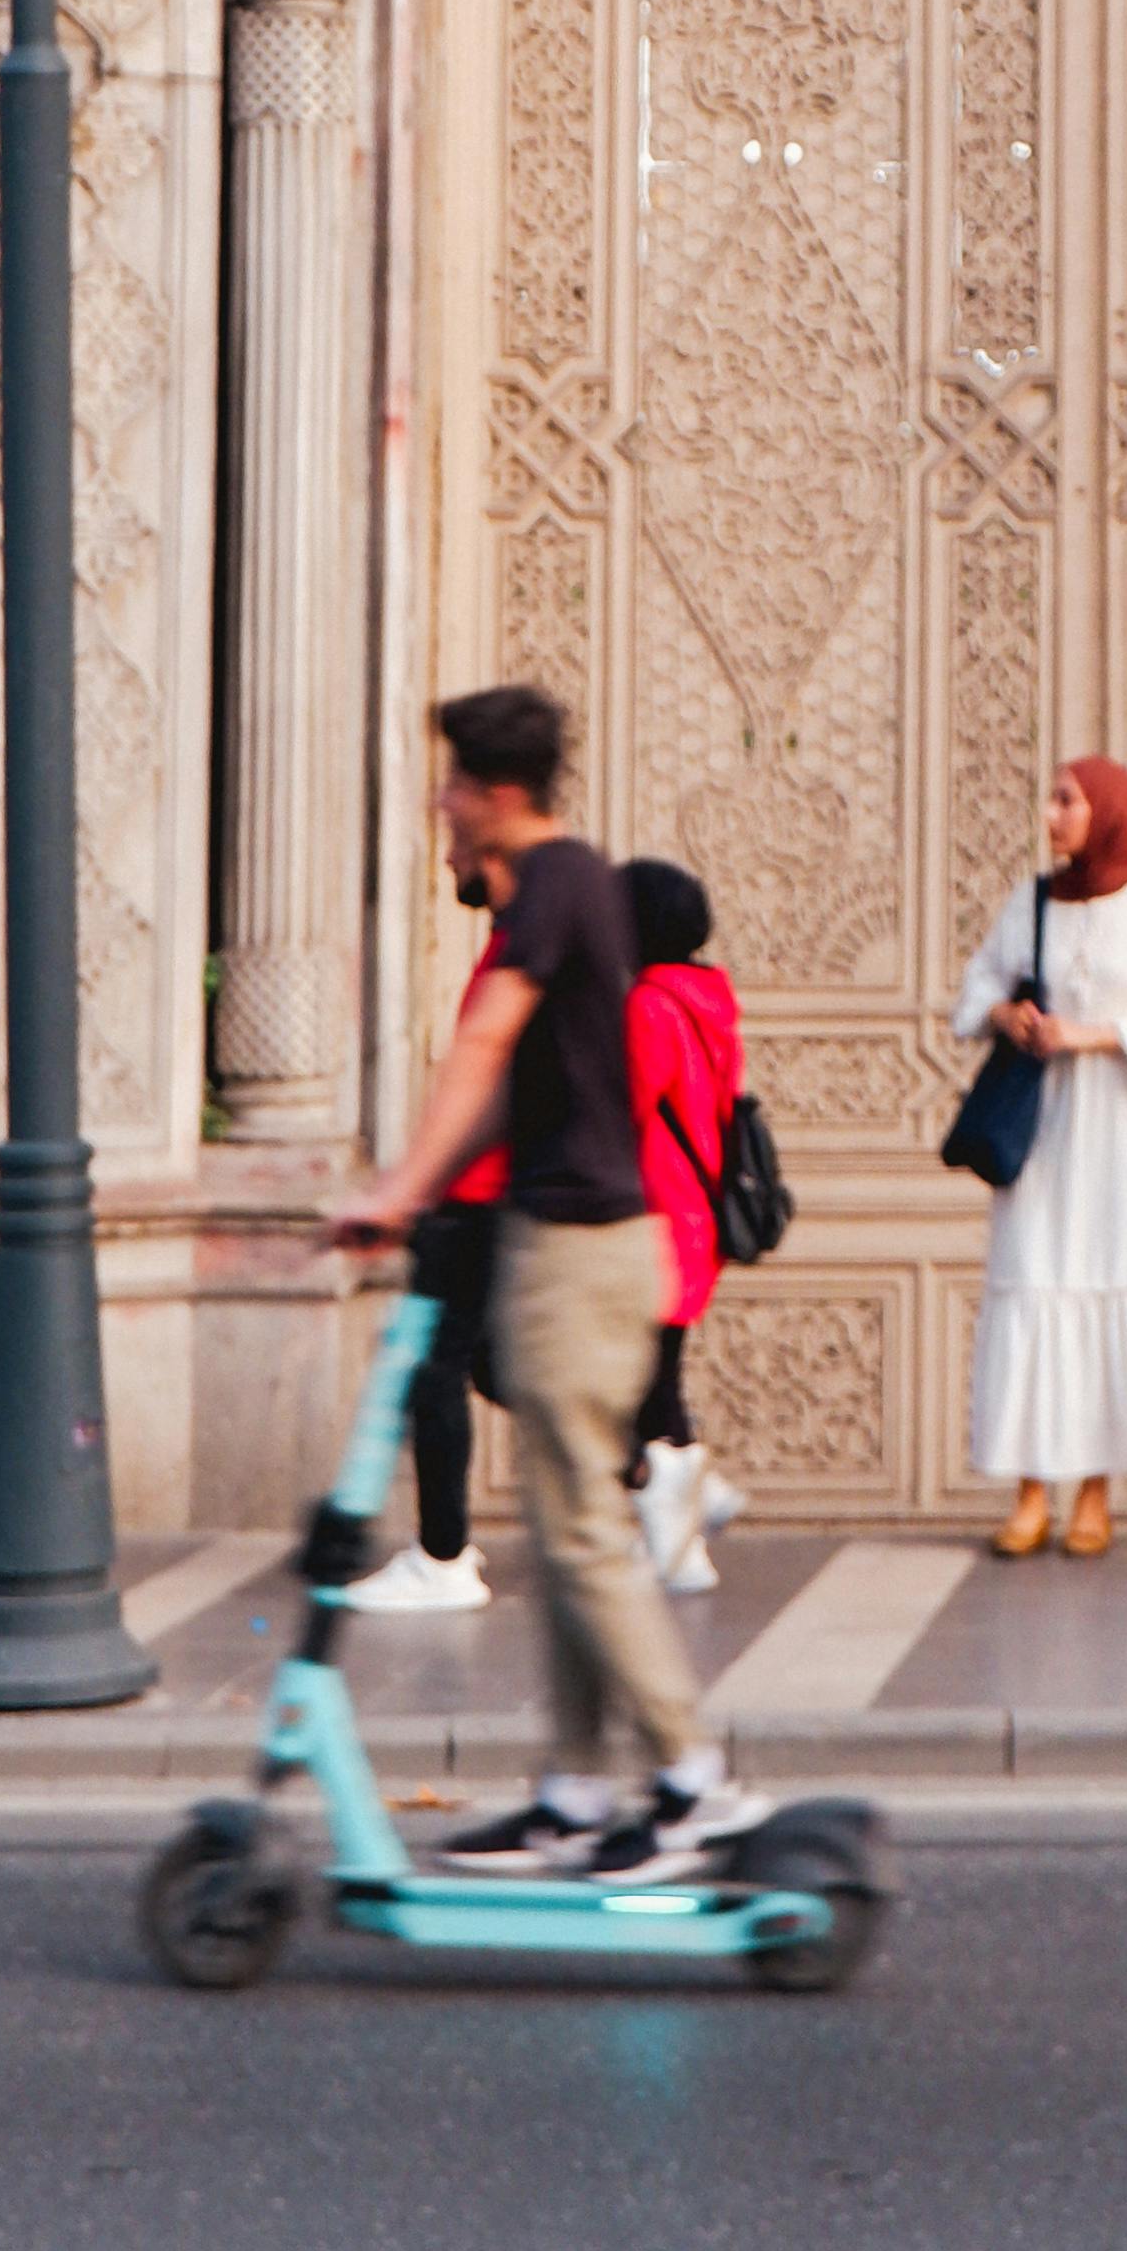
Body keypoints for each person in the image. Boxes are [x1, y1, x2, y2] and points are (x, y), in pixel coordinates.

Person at [337, 684, 740, 1872]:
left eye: (455, 784)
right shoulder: (567, 890)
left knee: (589, 1543)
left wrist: (395, 1189)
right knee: (573, 1535)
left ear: (500, 793)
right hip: (564, 1244)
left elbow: (481, 1046)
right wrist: (418, 1192)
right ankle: (572, 1790)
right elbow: (509, 1094)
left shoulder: (557, 885)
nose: (441, 805)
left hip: (582, 1253)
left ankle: (690, 1781)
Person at [953, 755, 1127, 1556]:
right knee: (1037, 1278)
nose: (1051, 814)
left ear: (1107, 810)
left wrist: (1093, 1036)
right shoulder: (1032, 901)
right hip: (1046, 1131)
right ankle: (1031, 1490)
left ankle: (1096, 1492)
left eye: (1067, 801)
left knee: (1110, 1278)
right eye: (1052, 799)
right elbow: (976, 989)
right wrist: (1007, 1018)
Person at [335, 921, 504, 1614]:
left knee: (436, 1369)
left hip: (483, 1197)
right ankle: (654, 1460)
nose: (452, 868)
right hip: (479, 1196)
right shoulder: (525, 940)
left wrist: (406, 1192)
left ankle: (443, 1556)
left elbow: (485, 1080)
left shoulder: (530, 943)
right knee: (496, 1367)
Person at [617, 856, 749, 1596]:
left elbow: (625, 1108)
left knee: (643, 1383)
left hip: (656, 1219)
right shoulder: (709, 1002)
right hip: (694, 1218)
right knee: (655, 1376)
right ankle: (685, 1524)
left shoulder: (649, 1007)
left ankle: (688, 1521)